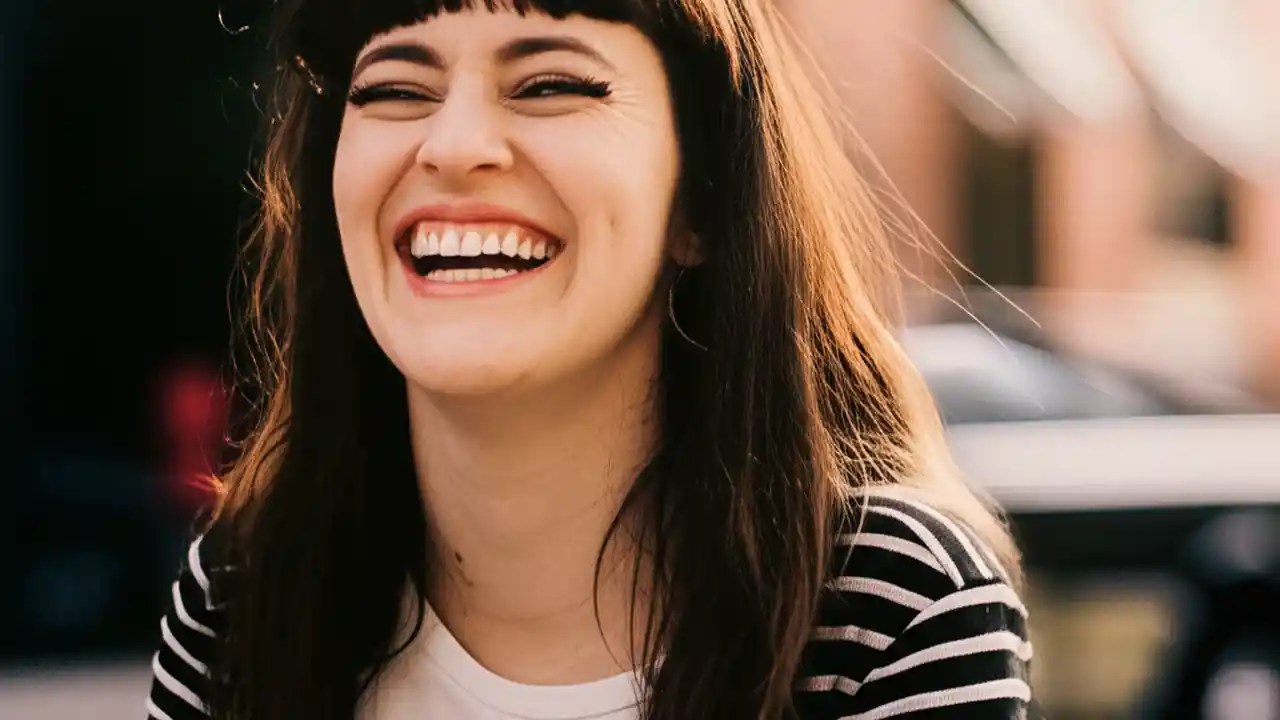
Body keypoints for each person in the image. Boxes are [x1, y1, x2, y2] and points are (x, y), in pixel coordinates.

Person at [145, 0, 1033, 718]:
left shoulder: (886, 612)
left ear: (702, 201)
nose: (451, 146)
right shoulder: (248, 590)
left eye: (550, 84)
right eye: (393, 89)